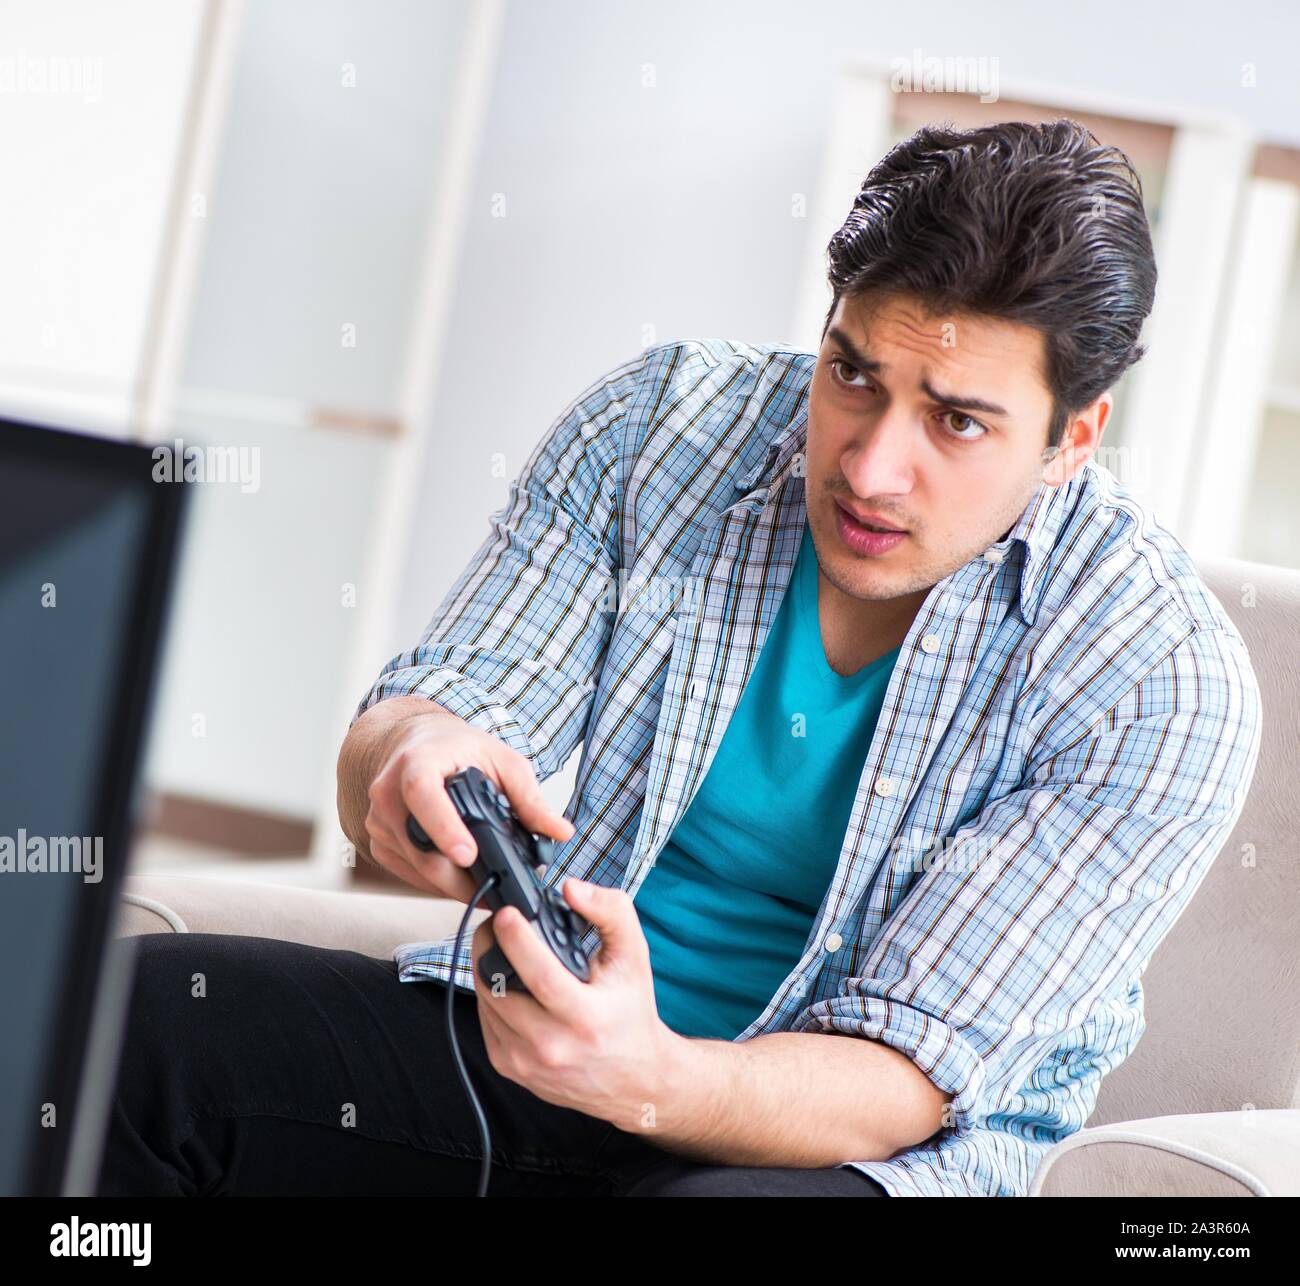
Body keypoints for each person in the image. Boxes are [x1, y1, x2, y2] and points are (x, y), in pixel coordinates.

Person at [98, 119, 1260, 1198]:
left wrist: (649, 1073)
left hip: (849, 1148)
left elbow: (904, 1073)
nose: (867, 467)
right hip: (535, 1042)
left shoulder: (1157, 677)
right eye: (850, 372)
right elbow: (434, 711)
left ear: (1073, 437)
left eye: (955, 419)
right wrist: (409, 756)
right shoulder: (660, 430)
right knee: (134, 1030)